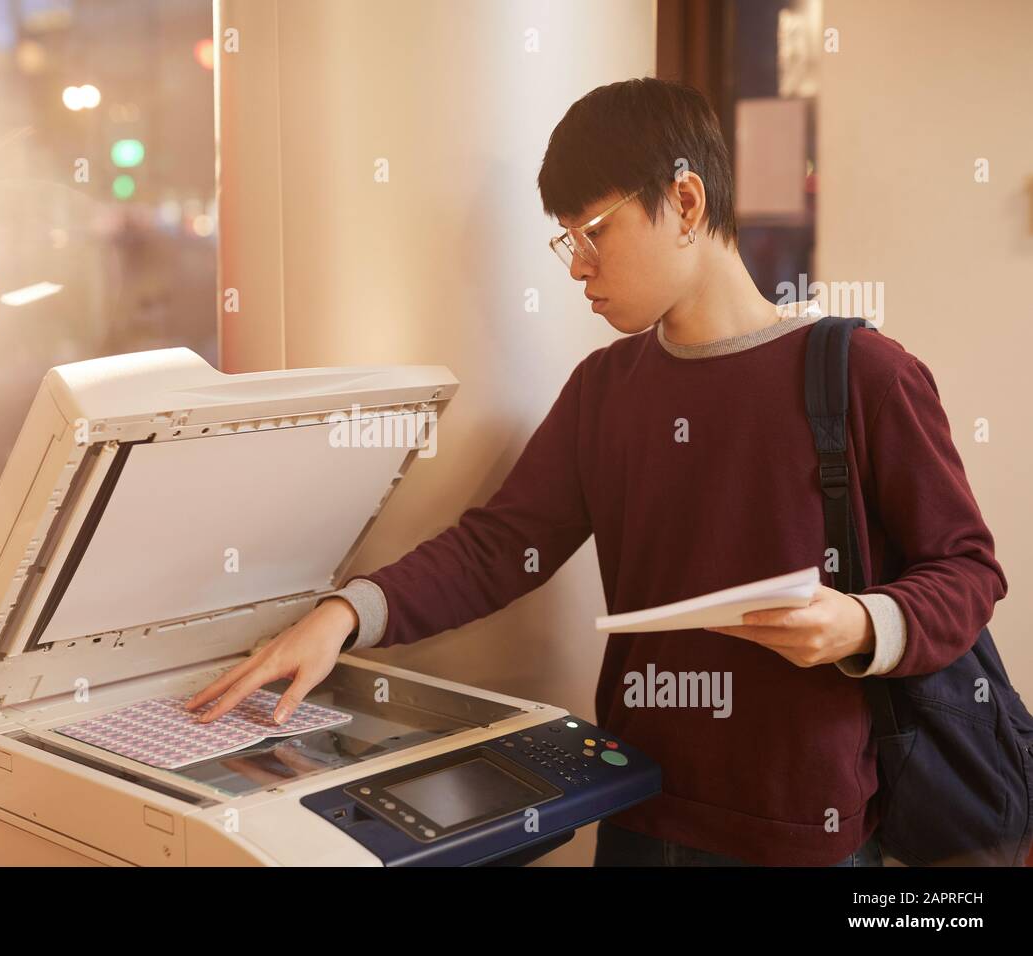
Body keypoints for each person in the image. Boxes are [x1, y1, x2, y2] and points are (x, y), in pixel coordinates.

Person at [186, 77, 1007, 866]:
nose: (576, 267)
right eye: (565, 240)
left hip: (804, 829)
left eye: (595, 232)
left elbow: (968, 570)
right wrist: (343, 616)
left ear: (685, 203)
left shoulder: (863, 373)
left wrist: (863, 625)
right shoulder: (607, 390)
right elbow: (501, 548)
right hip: (638, 802)